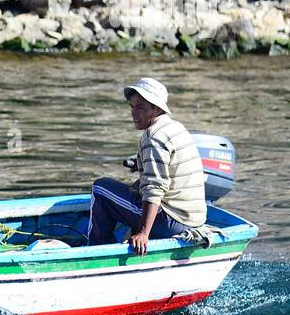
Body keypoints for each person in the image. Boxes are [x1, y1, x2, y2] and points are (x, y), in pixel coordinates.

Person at [88, 77, 207, 255]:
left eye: (140, 108)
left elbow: (155, 188)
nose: (134, 114)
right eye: (132, 107)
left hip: (171, 221)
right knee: (128, 191)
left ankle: (97, 252)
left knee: (100, 189)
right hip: (193, 218)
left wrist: (143, 233)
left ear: (156, 108)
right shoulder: (176, 128)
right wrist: (141, 163)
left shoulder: (154, 137)